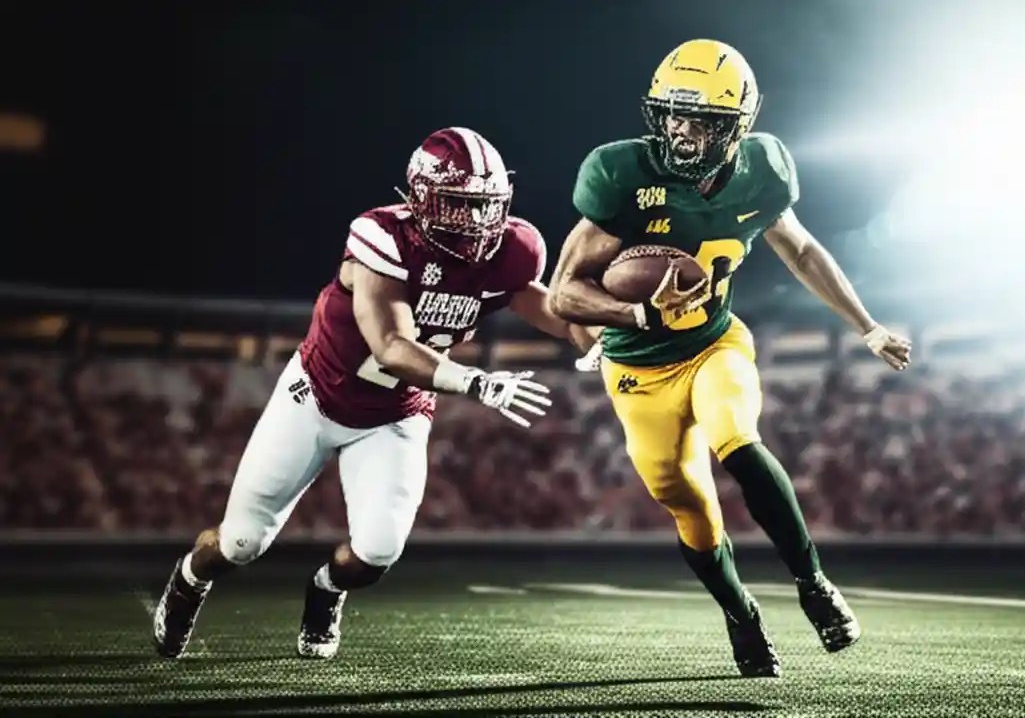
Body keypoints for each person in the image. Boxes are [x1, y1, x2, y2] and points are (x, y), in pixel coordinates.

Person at [153, 126, 596, 660]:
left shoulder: (513, 249)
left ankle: (326, 590)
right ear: (423, 197)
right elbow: (390, 345)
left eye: (487, 206)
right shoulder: (382, 236)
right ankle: (189, 578)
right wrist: (477, 381)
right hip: (315, 395)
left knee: (377, 552)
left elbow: (549, 310)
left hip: (395, 414)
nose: (477, 223)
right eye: (460, 205)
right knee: (241, 544)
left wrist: (606, 334)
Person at [548, 39, 912, 677]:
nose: (683, 134)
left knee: (736, 439)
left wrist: (866, 326)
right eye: (674, 116)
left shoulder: (763, 169)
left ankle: (814, 584)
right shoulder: (622, 174)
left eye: (703, 122)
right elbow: (564, 293)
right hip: (636, 368)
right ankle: (741, 613)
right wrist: (636, 315)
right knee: (687, 503)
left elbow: (798, 249)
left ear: (738, 126)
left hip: (715, 342)